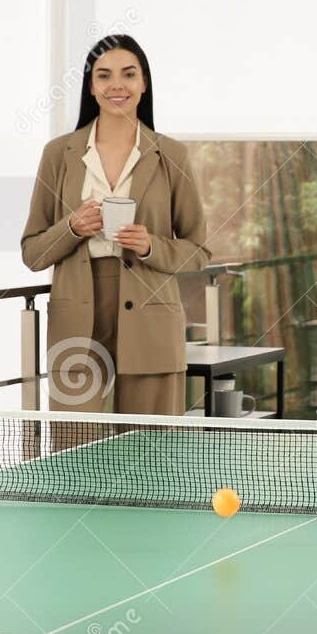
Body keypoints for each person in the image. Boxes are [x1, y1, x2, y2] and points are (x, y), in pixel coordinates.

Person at [21, 35, 210, 416]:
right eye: (104, 76)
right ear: (91, 86)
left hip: (150, 311)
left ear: (144, 83)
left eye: (128, 74)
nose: (117, 85)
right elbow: (32, 253)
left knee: (152, 452)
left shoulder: (171, 154)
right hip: (76, 313)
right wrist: (72, 228)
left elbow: (199, 252)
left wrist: (150, 246)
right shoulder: (59, 153)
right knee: (74, 447)